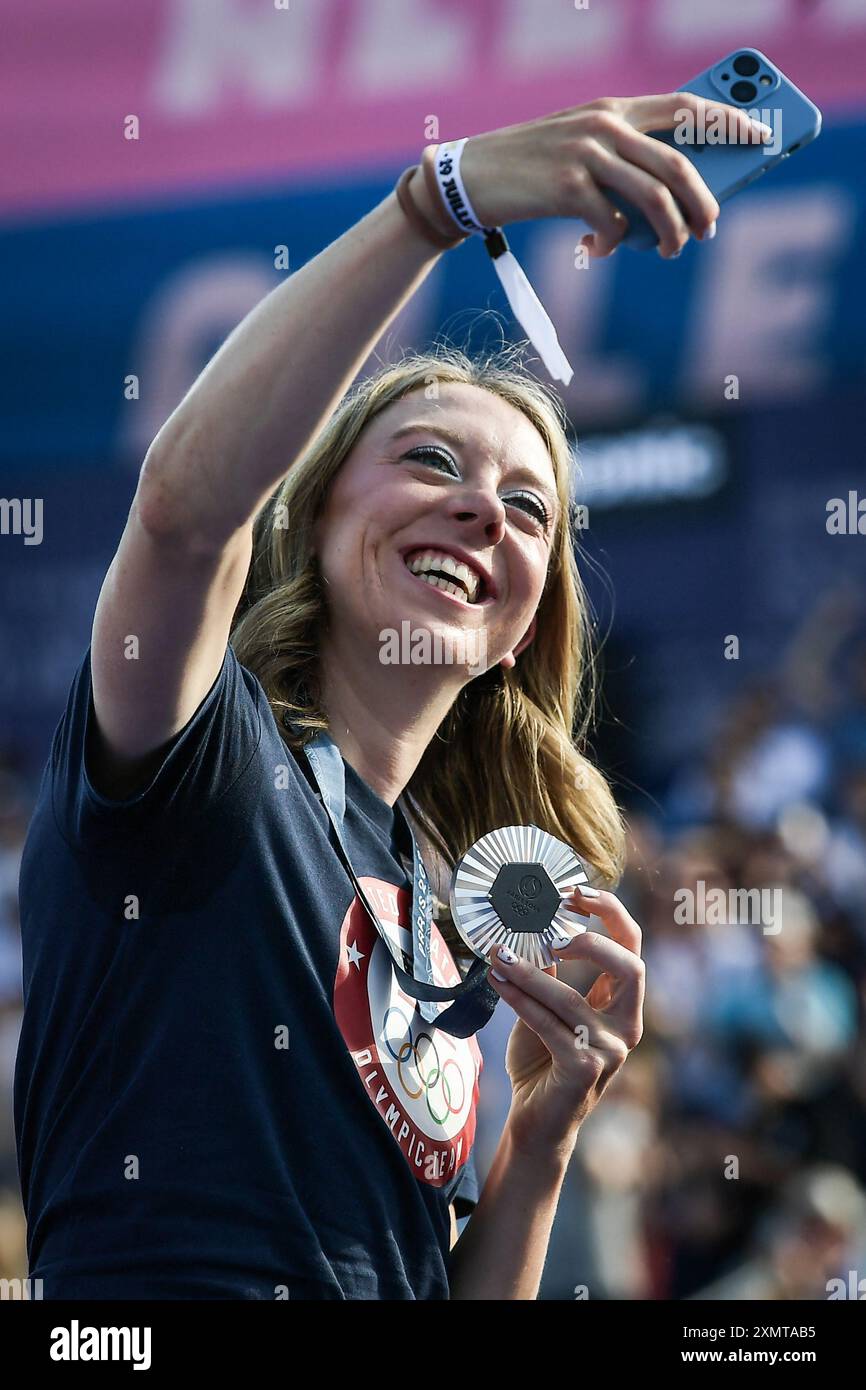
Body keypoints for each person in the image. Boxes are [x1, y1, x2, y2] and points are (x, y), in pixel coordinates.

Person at [14, 89, 763, 1300]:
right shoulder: (194, 758)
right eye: (429, 461)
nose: (482, 508)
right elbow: (185, 511)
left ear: (521, 627)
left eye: (528, 507)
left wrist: (538, 1137)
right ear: (307, 525)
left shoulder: (447, 919)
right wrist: (436, 203)